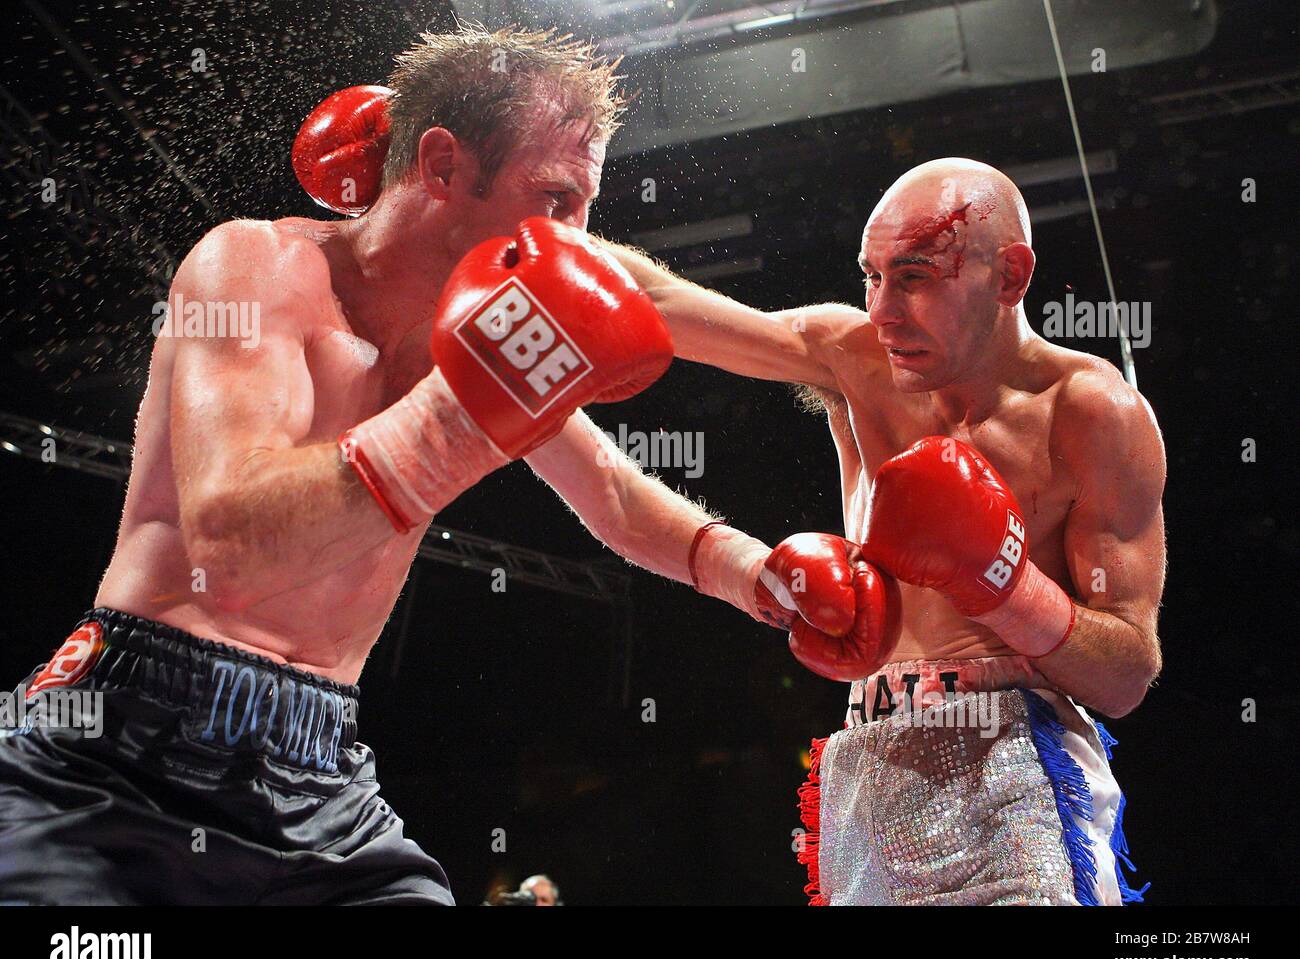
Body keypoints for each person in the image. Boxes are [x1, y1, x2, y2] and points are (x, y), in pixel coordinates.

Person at [0, 26, 887, 906]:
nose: (574, 242)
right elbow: (232, 546)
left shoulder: (483, 324)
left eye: (585, 210)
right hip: (112, 759)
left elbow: (616, 491)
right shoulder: (256, 268)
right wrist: (470, 409)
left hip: (318, 789)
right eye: (555, 200)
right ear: (440, 165)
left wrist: (759, 574)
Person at [601, 159, 1166, 905]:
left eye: (915, 276)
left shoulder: (1091, 413)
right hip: (866, 767)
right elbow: (658, 301)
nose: (882, 311)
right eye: (871, 276)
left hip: (1017, 766)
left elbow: (1126, 675)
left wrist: (1002, 584)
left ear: (1010, 275)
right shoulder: (856, 359)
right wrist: (491, 222)